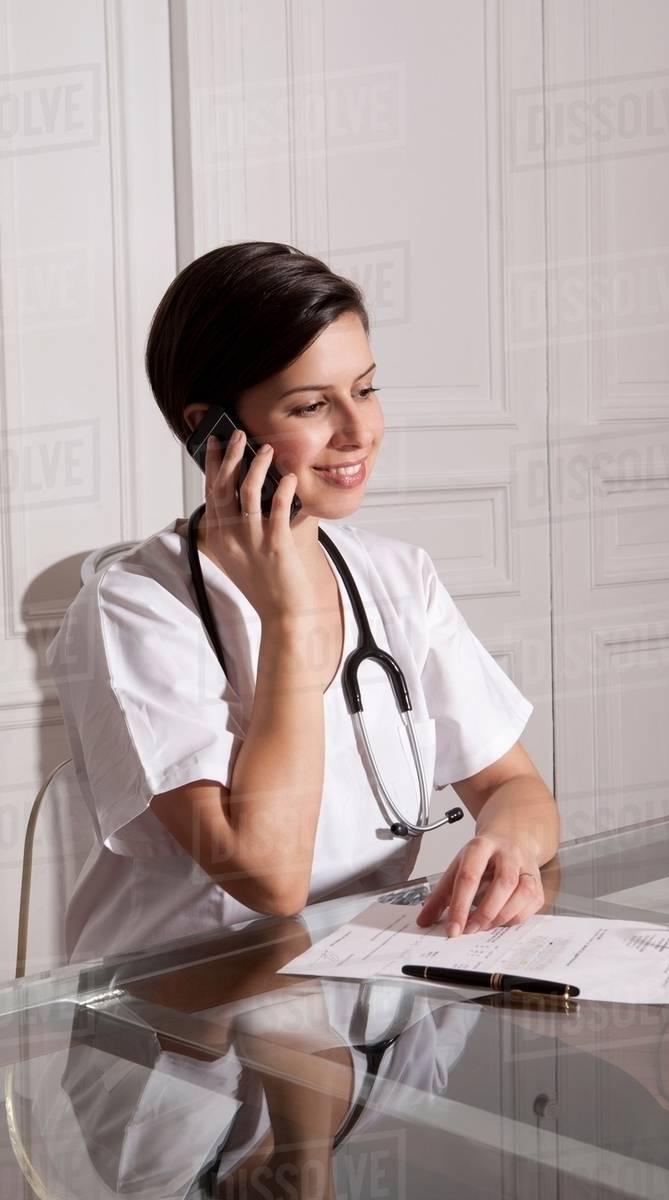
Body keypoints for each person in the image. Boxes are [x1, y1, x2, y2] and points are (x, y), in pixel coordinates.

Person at [45, 240, 559, 966]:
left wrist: (507, 839)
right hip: (183, 1031)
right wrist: (288, 619)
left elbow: (517, 787)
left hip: (354, 990)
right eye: (312, 405)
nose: (357, 431)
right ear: (211, 429)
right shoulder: (131, 609)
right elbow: (272, 879)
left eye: (367, 389)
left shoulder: (396, 576)